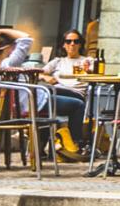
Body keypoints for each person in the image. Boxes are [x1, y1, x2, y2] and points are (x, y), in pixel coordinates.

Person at [38, 29, 93, 160]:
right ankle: (39, 146)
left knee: (44, 95)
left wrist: (89, 71)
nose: (72, 44)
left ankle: (74, 143)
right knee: (44, 96)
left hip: (76, 93)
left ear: (80, 44)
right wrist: (46, 77)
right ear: (64, 44)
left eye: (76, 41)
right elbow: (38, 73)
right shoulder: (58, 61)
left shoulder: (87, 60)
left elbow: (96, 72)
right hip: (56, 91)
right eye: (68, 41)